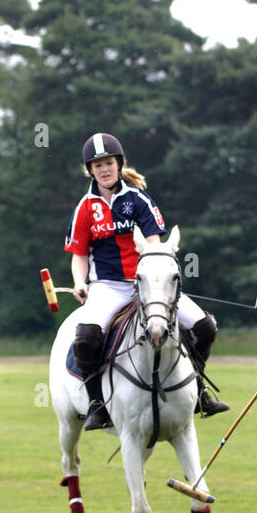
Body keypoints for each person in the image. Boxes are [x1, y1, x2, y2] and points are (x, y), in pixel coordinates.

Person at [64, 132, 227, 430]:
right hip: (107, 287)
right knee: (86, 337)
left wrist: (157, 281)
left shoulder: (138, 199)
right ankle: (97, 403)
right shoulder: (85, 207)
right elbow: (78, 254)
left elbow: (154, 246)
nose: (104, 169)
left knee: (205, 327)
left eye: (109, 163)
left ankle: (200, 390)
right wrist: (80, 282)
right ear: (90, 169)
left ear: (119, 163)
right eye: (97, 165)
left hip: (146, 285)